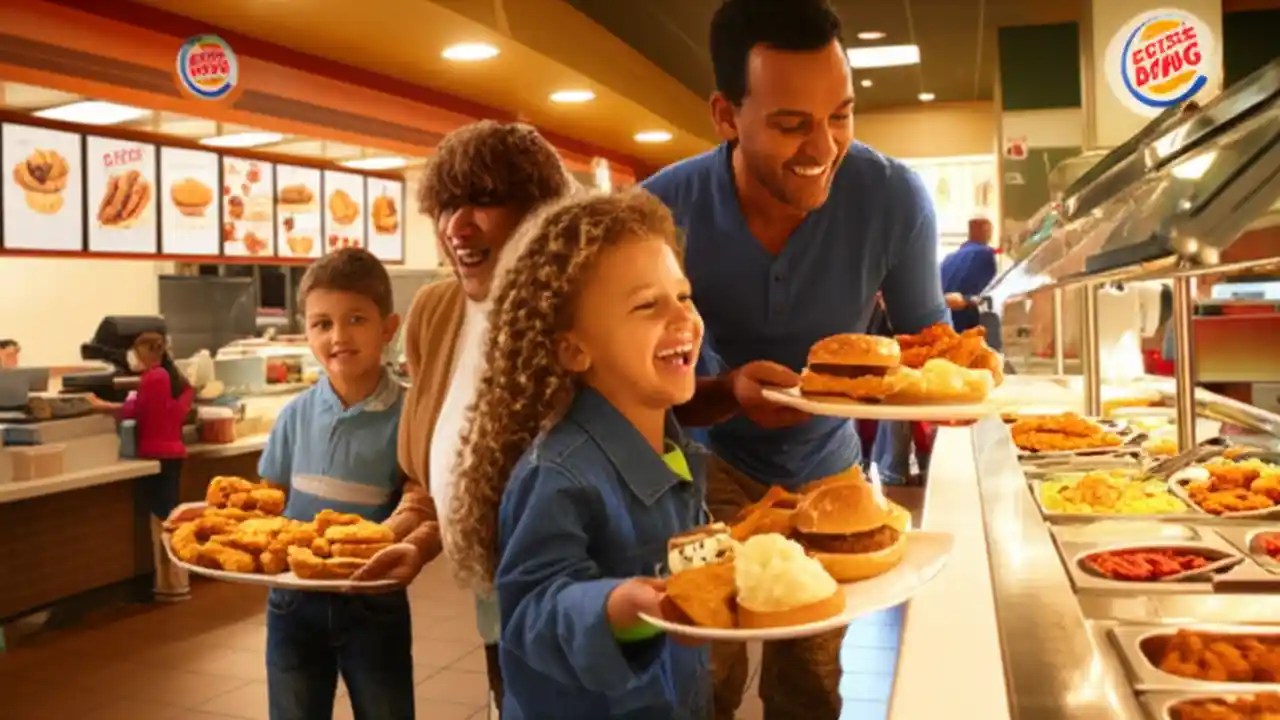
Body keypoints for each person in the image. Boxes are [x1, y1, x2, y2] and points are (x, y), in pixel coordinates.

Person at [641, 0, 950, 717]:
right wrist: (724, 390)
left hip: (829, 470)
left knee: (811, 681)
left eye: (839, 116)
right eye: (790, 124)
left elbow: (925, 346)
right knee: (701, 671)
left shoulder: (893, 197)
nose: (823, 148)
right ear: (725, 115)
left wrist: (955, 400)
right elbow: (632, 383)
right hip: (701, 465)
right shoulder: (659, 212)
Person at [451, 190, 732, 718]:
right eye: (648, 304)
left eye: (684, 295)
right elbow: (531, 608)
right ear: (574, 348)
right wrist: (616, 607)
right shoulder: (558, 475)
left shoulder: (676, 449)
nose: (683, 319)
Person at [380, 119, 574, 715]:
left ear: (538, 210)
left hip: (578, 588)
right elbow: (434, 469)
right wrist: (414, 537)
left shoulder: (577, 306)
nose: (456, 226)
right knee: (506, 694)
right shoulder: (437, 311)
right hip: (493, 593)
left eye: (483, 201)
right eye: (445, 205)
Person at [257, 249, 430, 720]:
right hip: (293, 603)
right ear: (306, 331)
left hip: (373, 602)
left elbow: (420, 505)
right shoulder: (294, 416)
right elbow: (265, 507)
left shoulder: (410, 417)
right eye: (322, 323)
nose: (338, 336)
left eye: (356, 319)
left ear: (388, 328)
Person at [91, 330, 194, 601]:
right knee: (169, 516)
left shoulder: (154, 378)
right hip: (174, 453)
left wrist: (100, 406)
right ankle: (176, 581)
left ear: (144, 353)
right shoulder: (177, 380)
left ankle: (170, 583)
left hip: (156, 455)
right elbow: (177, 408)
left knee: (161, 521)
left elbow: (135, 412)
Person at [941, 217, 998, 332]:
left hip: (945, 321)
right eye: (989, 231)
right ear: (986, 231)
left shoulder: (949, 257)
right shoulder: (985, 254)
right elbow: (987, 291)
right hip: (967, 321)